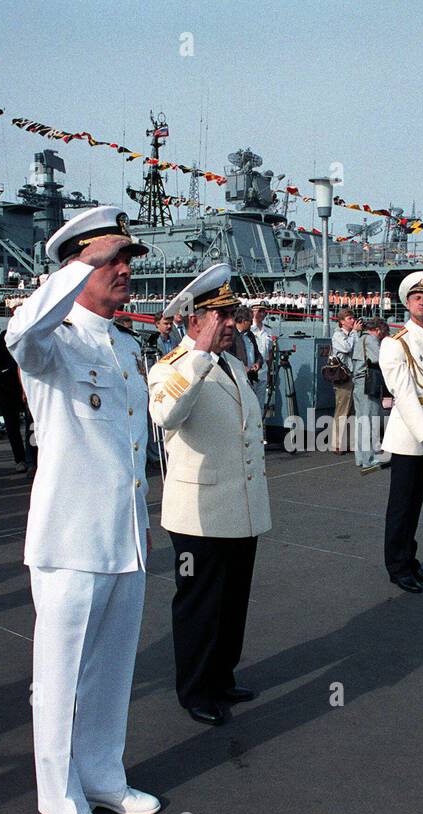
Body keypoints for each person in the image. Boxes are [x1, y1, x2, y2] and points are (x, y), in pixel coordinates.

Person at [7, 206, 160, 814]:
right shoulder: (52, 340)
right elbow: (21, 333)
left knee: (111, 671)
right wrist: (77, 267)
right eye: (110, 259)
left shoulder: (126, 346)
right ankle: (60, 799)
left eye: (127, 260)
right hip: (70, 540)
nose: (125, 270)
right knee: (61, 676)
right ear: (76, 265)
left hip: (124, 536)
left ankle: (101, 774)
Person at [149, 263, 270, 725]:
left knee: (234, 599)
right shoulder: (172, 367)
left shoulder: (234, 363)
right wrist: (198, 353)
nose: (229, 323)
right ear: (194, 320)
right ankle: (196, 689)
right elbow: (166, 415)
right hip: (198, 514)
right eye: (219, 317)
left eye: (230, 314)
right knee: (200, 604)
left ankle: (221, 676)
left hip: (240, 506)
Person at [381, 272, 423, 593]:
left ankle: (410, 558)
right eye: (416, 297)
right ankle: (397, 566)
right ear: (407, 303)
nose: (422, 301)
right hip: (410, 435)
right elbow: (405, 395)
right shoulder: (394, 344)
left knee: (416, 502)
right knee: (401, 504)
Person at [0, 329, 30, 472]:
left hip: (29, 386)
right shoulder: (6, 335)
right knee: (13, 425)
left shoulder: (32, 330)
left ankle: (33, 459)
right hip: (9, 387)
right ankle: (20, 459)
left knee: (33, 426)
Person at [352, 317, 388, 474]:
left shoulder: (361, 338)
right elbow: (379, 359)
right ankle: (369, 459)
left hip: (359, 384)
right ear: (378, 330)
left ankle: (361, 458)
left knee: (360, 422)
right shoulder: (371, 340)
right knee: (368, 422)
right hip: (368, 384)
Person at [329, 308, 357, 453]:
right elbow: (346, 348)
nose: (353, 321)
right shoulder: (338, 335)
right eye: (349, 319)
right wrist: (354, 333)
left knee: (353, 411)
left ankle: (351, 443)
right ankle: (337, 444)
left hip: (354, 375)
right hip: (343, 377)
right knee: (342, 410)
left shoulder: (354, 334)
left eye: (353, 318)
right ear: (341, 322)